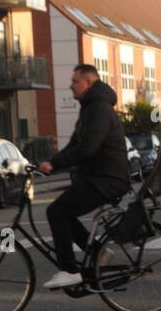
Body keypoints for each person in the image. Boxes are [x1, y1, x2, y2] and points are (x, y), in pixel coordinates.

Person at [39, 64, 130, 289]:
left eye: (74, 81)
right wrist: (53, 162)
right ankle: (99, 253)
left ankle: (69, 271)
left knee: (56, 212)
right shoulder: (90, 108)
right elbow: (75, 144)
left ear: (87, 83)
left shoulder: (98, 109)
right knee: (64, 213)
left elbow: (87, 148)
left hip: (107, 179)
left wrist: (55, 163)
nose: (70, 86)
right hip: (99, 177)